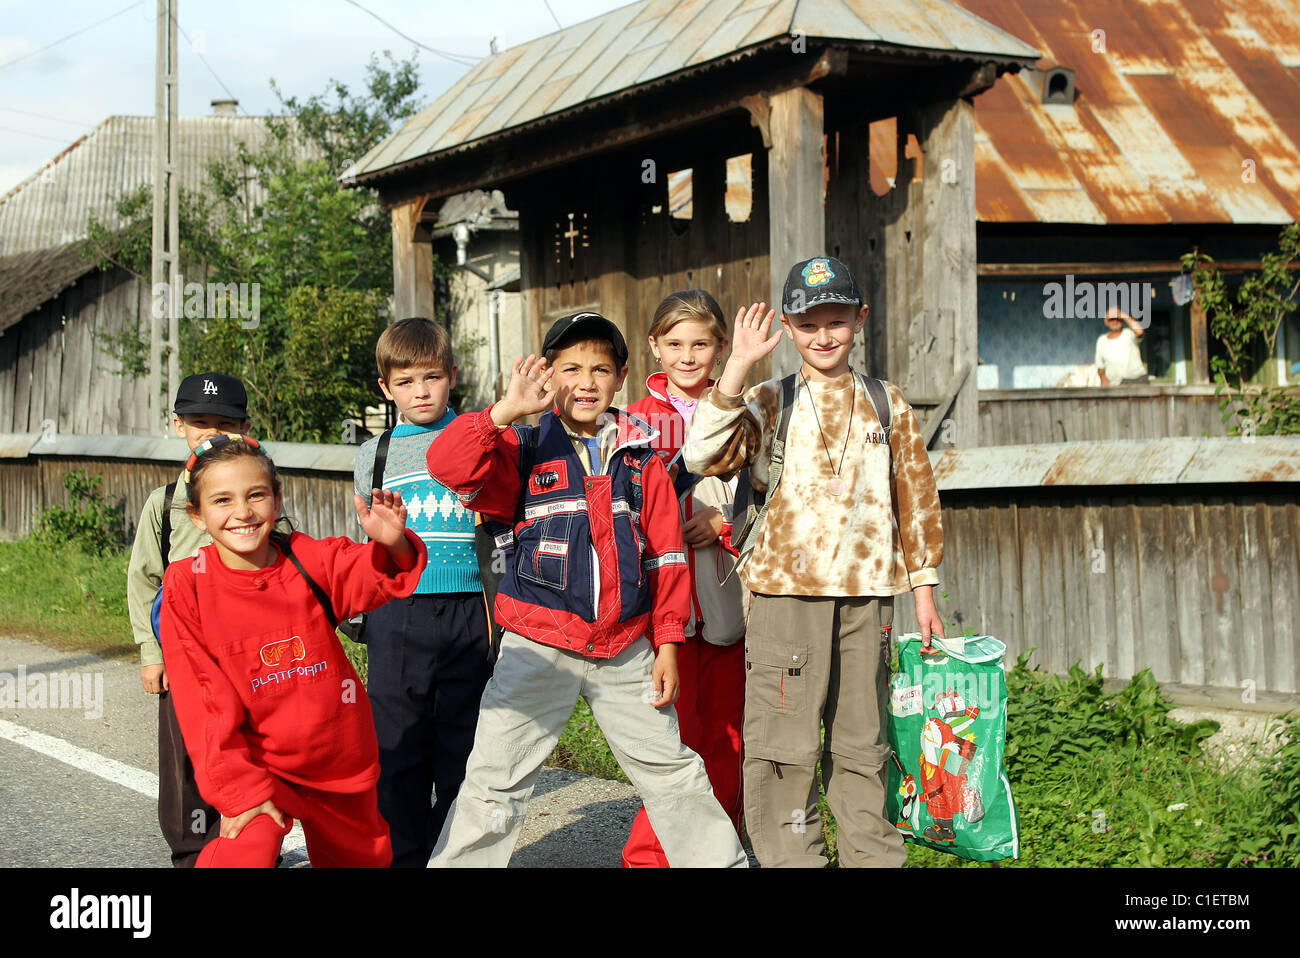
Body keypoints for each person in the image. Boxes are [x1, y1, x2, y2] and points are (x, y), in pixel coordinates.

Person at [424, 311, 748, 867]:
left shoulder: (644, 457)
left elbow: (668, 558)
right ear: (547, 375)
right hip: (536, 645)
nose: (586, 382)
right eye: (569, 368)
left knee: (674, 773)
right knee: (493, 780)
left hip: (626, 649)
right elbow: (447, 464)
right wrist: (503, 411)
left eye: (600, 369)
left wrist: (668, 644)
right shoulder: (521, 449)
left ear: (621, 376)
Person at [682, 256, 945, 868]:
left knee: (863, 743)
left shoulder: (888, 404)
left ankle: (871, 858)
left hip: (866, 596)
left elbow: (917, 498)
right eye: (808, 324)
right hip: (784, 596)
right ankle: (792, 858)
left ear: (860, 319)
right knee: (784, 748)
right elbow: (702, 454)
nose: (823, 336)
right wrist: (738, 366)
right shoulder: (770, 400)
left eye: (837, 320)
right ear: (790, 328)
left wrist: (924, 591)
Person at [159, 435, 427, 867]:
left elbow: (371, 574)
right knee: (242, 854)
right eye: (222, 500)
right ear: (197, 516)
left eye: (256, 495)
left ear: (277, 498)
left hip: (337, 759)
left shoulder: (307, 558)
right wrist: (238, 790)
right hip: (259, 765)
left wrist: (391, 543)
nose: (242, 512)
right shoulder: (187, 585)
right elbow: (201, 699)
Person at [353, 317, 495, 867]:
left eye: (432, 378)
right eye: (406, 382)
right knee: (399, 744)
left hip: (469, 611)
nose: (421, 392)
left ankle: (451, 854)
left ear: (452, 377)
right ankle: (402, 856)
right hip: (397, 613)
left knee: (463, 748)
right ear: (386, 388)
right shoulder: (374, 454)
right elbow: (365, 541)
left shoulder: (482, 436)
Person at [620, 289, 747, 867]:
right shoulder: (636, 421)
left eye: (701, 343)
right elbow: (622, 513)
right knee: (674, 743)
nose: (688, 356)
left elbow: (771, 497)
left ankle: (719, 848)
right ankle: (648, 858)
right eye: (675, 344)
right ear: (654, 347)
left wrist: (725, 521)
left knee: (729, 738)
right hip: (664, 614)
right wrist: (671, 524)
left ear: (722, 347)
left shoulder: (746, 411)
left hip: (730, 603)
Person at [125, 372, 251, 866]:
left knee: (250, 753)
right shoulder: (165, 502)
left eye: (225, 423)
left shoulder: (259, 496)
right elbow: (143, 578)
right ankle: (192, 852)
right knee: (185, 761)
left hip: (248, 654)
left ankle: (246, 846)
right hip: (183, 656)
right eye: (200, 422)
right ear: (178, 425)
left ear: (245, 427)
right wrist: (149, 653)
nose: (212, 433)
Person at [1095, 306, 1147, 385]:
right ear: (1106, 321)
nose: (1115, 321)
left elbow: (1140, 331)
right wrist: (1102, 378)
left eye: (1118, 318)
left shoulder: (1129, 334)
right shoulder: (1101, 340)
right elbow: (1100, 365)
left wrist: (1123, 315)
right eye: (1111, 319)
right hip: (1115, 384)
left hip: (1136, 380)